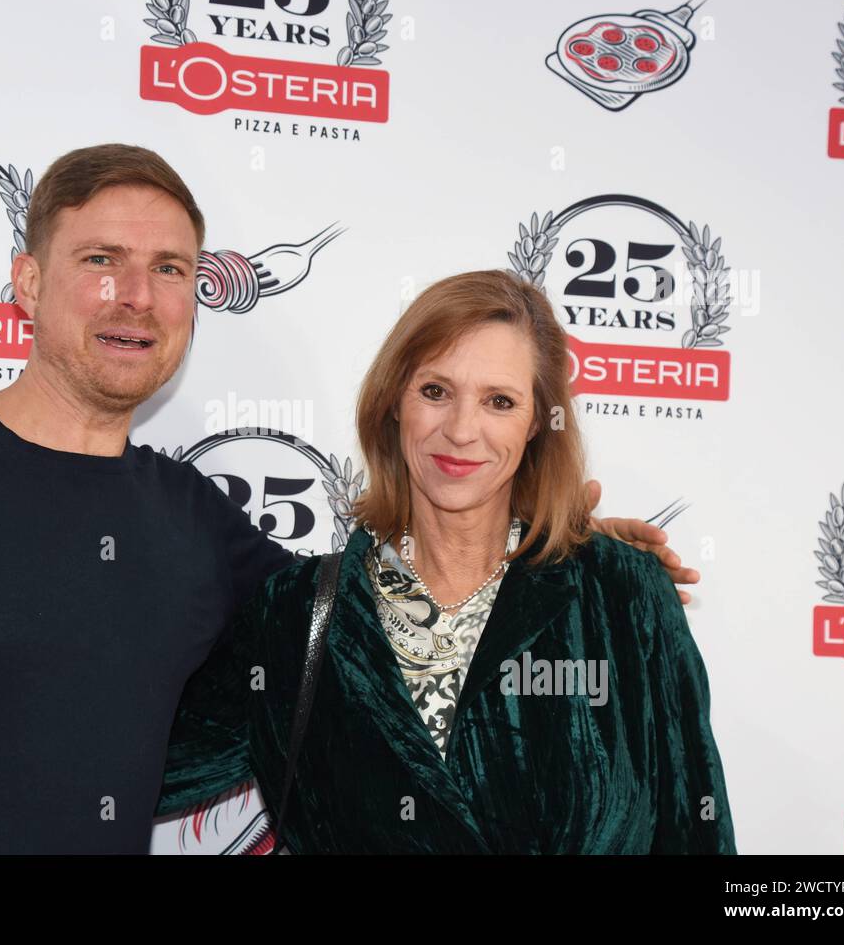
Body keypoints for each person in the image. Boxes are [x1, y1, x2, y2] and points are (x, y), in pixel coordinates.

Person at [0, 145, 694, 853]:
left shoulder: (195, 525)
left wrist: (563, 540)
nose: (134, 297)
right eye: (99, 261)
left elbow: (381, 619)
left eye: (168, 270)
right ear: (24, 280)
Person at [156, 270, 734, 854]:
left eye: (499, 402)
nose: (461, 430)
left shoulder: (620, 597)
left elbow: (698, 835)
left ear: (537, 422)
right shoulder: (294, 616)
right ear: (393, 403)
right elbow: (127, 768)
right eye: (435, 391)